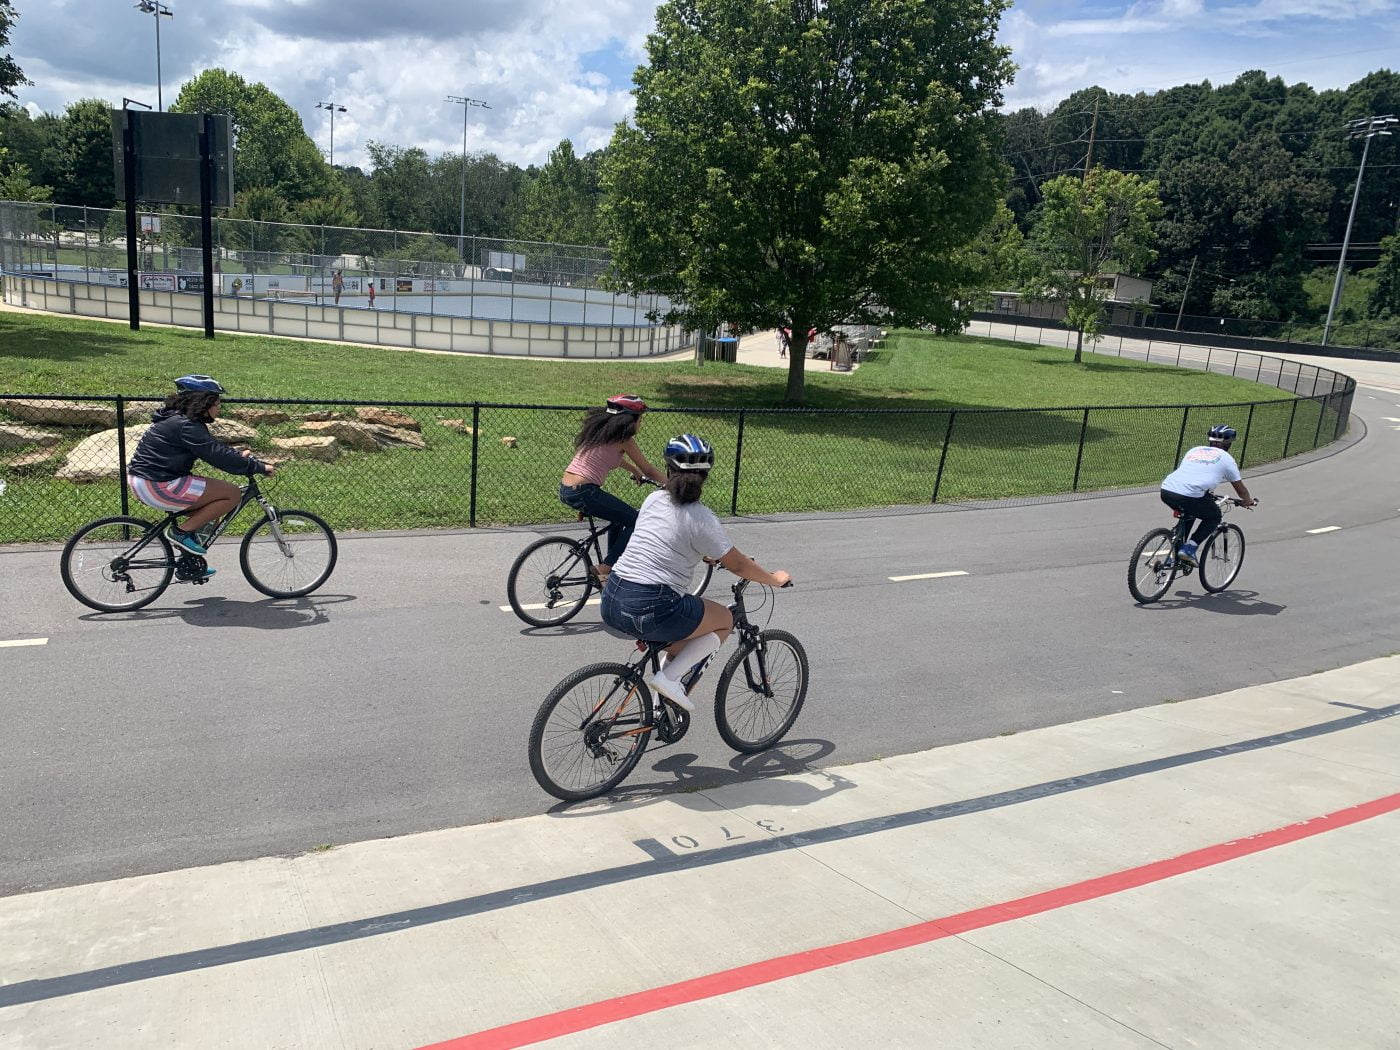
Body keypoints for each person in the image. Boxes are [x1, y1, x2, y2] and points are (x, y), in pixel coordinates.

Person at [601, 434, 791, 711]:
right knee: (725, 619)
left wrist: (704, 554)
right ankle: (668, 679)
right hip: (653, 605)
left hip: (613, 597)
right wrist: (774, 579)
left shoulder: (654, 500)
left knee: (683, 645)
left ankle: (658, 705)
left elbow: (662, 538)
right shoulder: (702, 518)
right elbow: (738, 564)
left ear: (669, 469)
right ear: (705, 476)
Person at [126, 375, 274, 577]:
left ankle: (189, 565)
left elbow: (212, 449)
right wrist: (258, 467)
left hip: (144, 481)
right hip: (158, 484)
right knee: (231, 494)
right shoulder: (187, 425)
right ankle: (181, 532)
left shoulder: (178, 420)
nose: (219, 407)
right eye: (216, 401)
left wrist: (239, 457)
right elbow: (216, 455)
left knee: (212, 510)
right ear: (203, 402)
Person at [560, 394, 667, 579]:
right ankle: (605, 568)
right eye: (641, 418)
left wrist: (633, 470)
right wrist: (675, 485)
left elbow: (610, 458)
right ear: (629, 420)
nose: (641, 423)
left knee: (618, 519)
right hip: (586, 492)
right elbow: (649, 470)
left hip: (568, 489)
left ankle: (612, 564)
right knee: (635, 521)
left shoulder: (598, 432)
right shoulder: (624, 439)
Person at [1160, 423, 1256, 567]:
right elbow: (1241, 490)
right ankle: (1190, 548)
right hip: (1190, 495)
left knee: (1190, 512)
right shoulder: (1226, 458)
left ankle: (1174, 556)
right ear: (1228, 443)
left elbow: (1193, 473)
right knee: (1214, 516)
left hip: (1167, 490)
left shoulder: (1194, 450)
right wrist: (1248, 501)